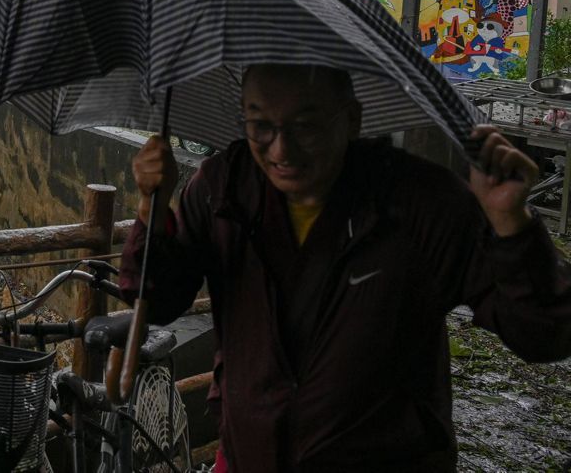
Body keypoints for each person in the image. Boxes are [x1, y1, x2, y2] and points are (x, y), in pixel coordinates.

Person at [120, 63, 571, 473]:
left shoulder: (420, 203)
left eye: (307, 126)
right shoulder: (222, 189)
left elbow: (541, 333)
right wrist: (151, 213)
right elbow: (158, 299)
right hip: (250, 455)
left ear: (352, 120)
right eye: (260, 125)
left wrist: (513, 226)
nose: (282, 150)